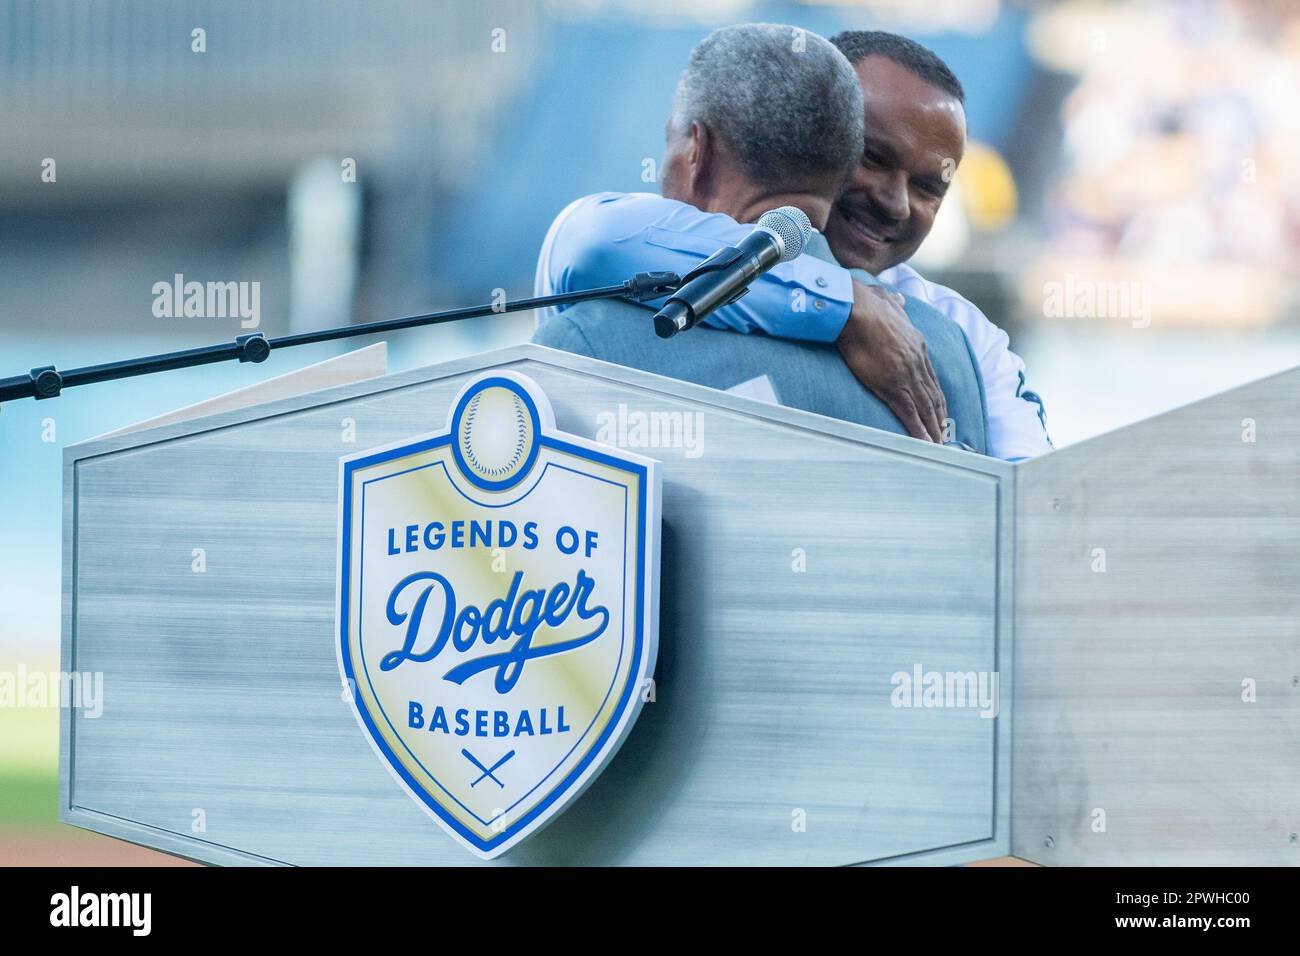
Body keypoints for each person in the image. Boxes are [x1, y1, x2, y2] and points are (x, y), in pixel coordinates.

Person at [535, 29, 1050, 461]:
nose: (896, 203)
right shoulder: (949, 344)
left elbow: (1037, 504)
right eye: (872, 157)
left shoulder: (967, 341)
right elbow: (590, 242)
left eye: (928, 187)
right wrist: (843, 308)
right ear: (826, 136)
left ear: (696, 147)